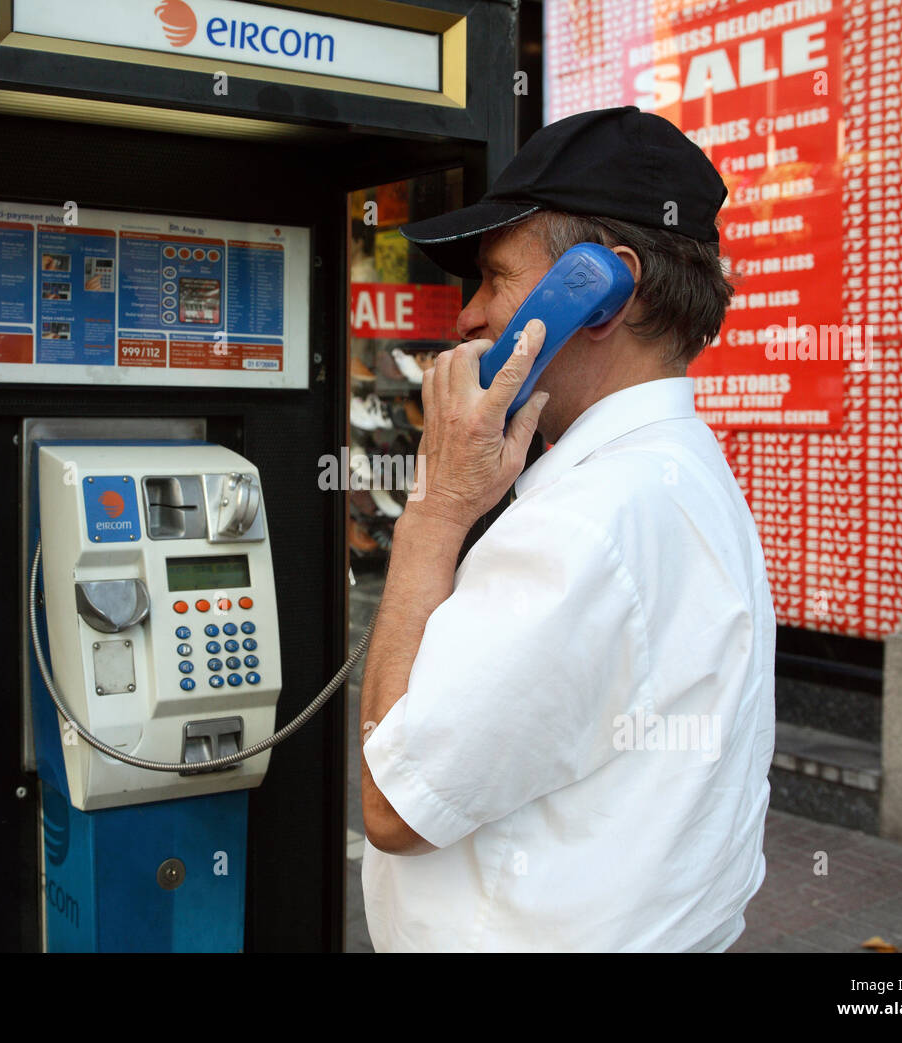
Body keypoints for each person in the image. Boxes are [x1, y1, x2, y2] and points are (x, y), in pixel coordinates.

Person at [358, 106, 776, 952]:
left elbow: (395, 806)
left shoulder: (589, 519)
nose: (469, 317)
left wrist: (435, 515)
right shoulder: (674, 470)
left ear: (599, 291)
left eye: (494, 277)